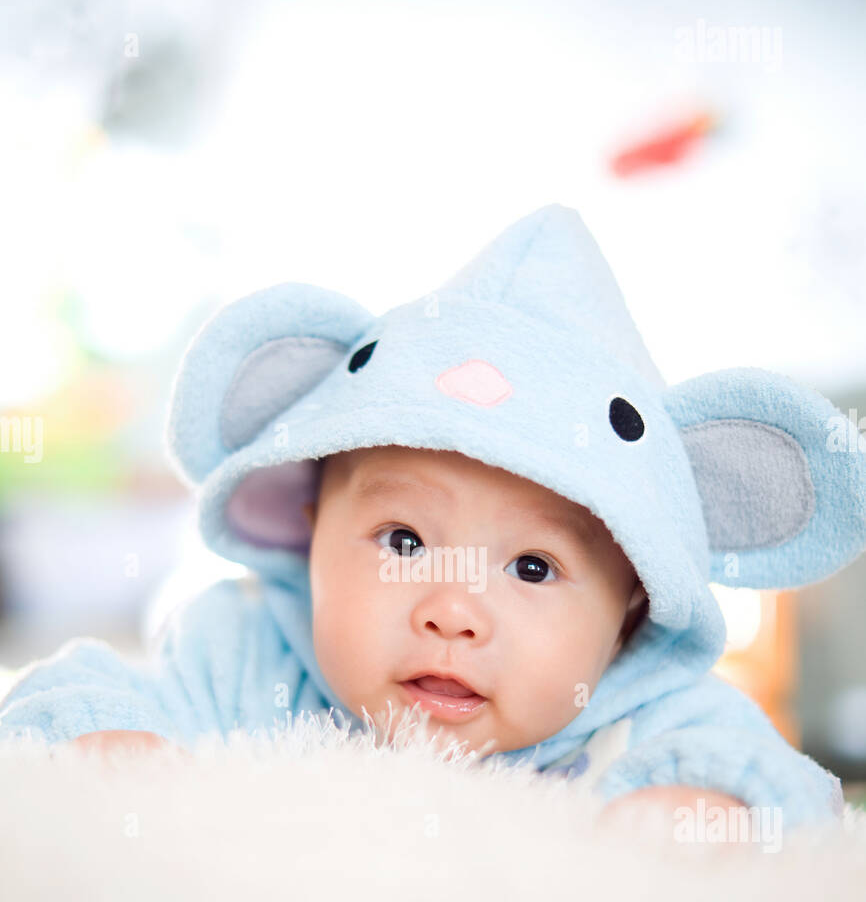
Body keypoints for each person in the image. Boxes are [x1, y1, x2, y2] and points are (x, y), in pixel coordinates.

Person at [2, 203, 864, 832]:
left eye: (533, 567)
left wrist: (709, 815)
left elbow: (789, 799)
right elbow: (94, 696)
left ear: (629, 611)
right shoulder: (248, 655)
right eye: (404, 541)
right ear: (310, 536)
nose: (451, 611)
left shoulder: (653, 720)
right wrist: (105, 743)